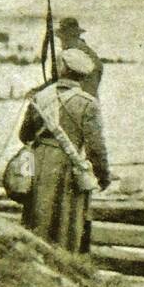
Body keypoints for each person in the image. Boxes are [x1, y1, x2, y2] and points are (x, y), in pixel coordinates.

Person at [18, 48, 111, 251]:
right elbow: (95, 148)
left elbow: (24, 135)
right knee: (66, 223)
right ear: (83, 75)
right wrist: (103, 177)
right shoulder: (88, 103)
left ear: (61, 69)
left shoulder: (41, 97)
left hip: (39, 162)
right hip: (69, 165)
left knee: (37, 217)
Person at [56, 17, 103, 97]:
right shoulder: (85, 51)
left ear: (72, 36)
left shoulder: (74, 54)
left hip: (80, 98)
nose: (62, 43)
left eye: (63, 38)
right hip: (87, 99)